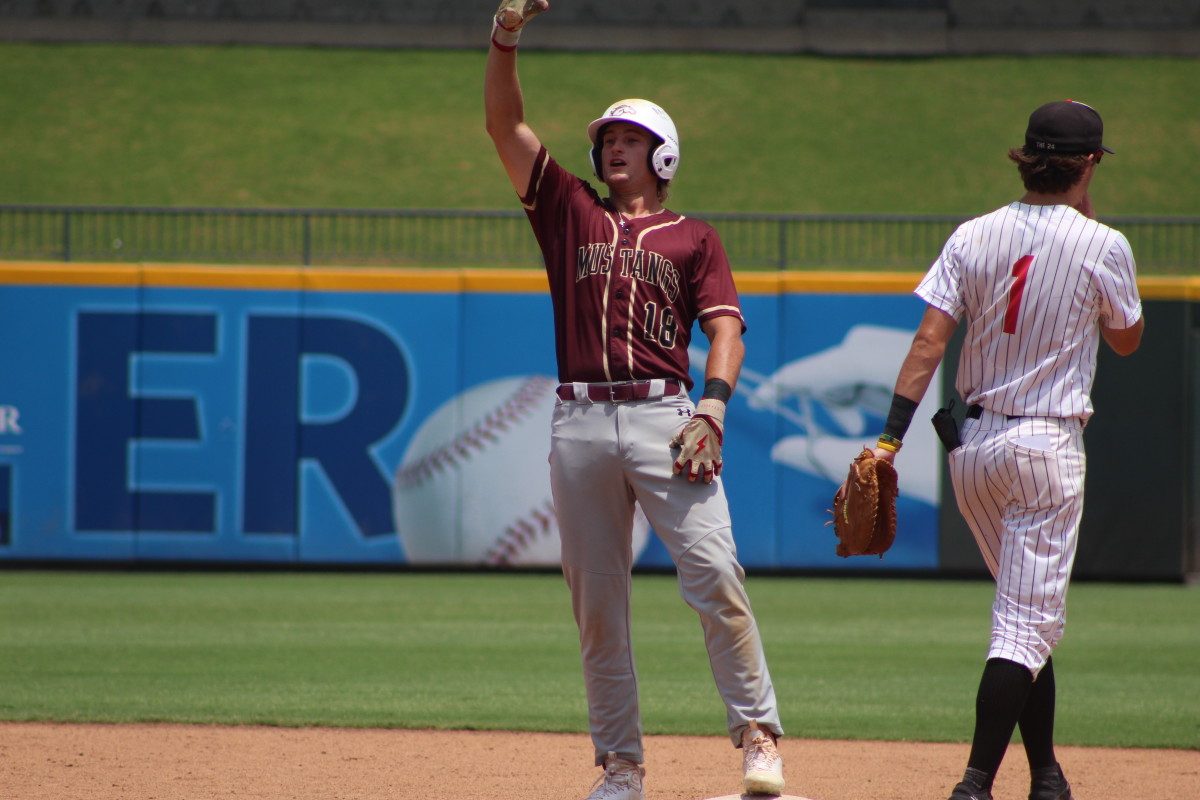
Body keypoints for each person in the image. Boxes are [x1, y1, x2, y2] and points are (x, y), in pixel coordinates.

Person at [483, 3, 786, 799]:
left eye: (629, 140)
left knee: (716, 574)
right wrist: (504, 36)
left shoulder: (694, 237)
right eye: (607, 141)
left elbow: (726, 331)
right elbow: (503, 124)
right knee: (598, 611)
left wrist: (713, 408)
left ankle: (758, 737)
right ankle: (621, 767)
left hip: (666, 418)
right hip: (579, 421)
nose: (613, 148)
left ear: (664, 156)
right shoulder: (569, 213)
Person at [863, 99, 1143, 800]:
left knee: (1024, 619)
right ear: (1087, 164)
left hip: (973, 451)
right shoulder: (1102, 243)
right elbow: (1127, 339)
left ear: (1025, 157)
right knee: (1023, 628)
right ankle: (974, 785)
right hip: (1046, 446)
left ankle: (1047, 775)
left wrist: (890, 438)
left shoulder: (973, 234)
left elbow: (930, 342)